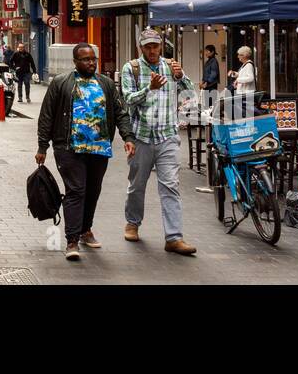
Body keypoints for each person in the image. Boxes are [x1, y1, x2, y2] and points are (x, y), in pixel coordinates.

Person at [36, 42, 134, 260]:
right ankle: (72, 240)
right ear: (75, 62)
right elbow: (47, 116)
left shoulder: (106, 84)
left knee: (93, 191)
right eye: (86, 59)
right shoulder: (61, 83)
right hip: (68, 147)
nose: (91, 63)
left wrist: (128, 137)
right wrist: (43, 146)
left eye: (93, 59)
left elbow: (120, 113)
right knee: (76, 190)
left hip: (99, 148)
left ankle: (85, 229)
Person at [120, 28, 196, 256]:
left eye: (155, 45)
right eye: (148, 46)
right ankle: (132, 223)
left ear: (161, 46)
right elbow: (127, 99)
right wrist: (148, 88)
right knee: (137, 186)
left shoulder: (170, 66)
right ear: (140, 48)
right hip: (141, 136)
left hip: (167, 137)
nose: (152, 50)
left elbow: (189, 94)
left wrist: (181, 76)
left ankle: (174, 237)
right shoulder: (131, 68)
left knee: (170, 186)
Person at [227, 45, 256, 119]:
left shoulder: (248, 65)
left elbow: (250, 78)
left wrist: (238, 80)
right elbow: (241, 75)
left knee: (245, 114)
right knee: (242, 113)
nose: (238, 57)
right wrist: (234, 74)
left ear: (244, 56)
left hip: (246, 94)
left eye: (239, 55)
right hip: (243, 93)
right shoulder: (245, 64)